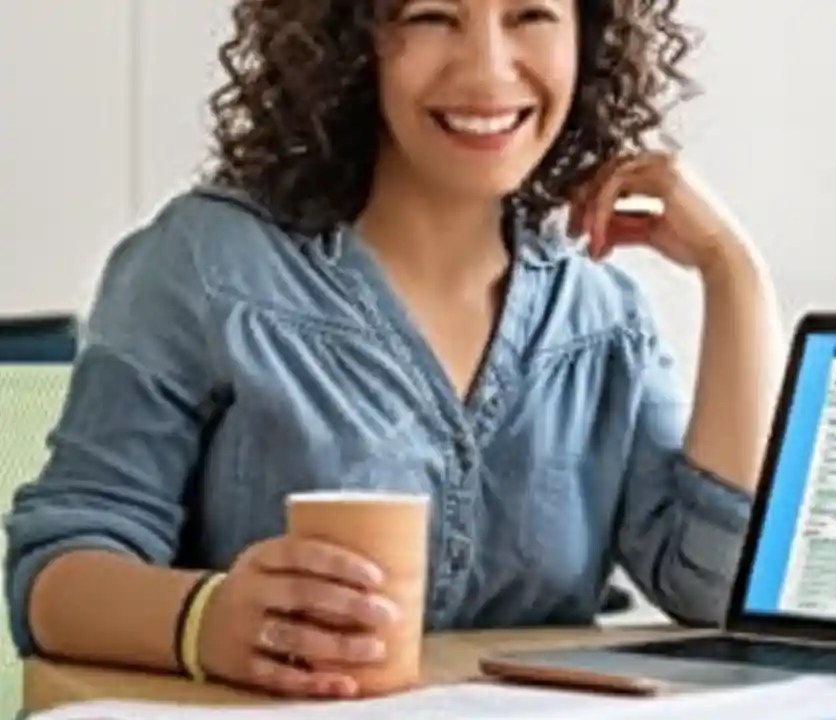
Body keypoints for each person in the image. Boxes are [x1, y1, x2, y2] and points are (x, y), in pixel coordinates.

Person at [3, 0, 780, 700]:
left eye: (531, 15)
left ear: (588, 37)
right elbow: (53, 576)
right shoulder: (208, 263)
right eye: (431, 16)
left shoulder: (605, 319)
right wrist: (204, 619)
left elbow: (714, 586)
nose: (487, 69)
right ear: (352, 39)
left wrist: (734, 275)